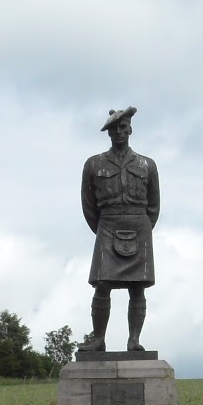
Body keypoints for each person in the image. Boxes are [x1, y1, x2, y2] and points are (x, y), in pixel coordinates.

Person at [77, 106, 159, 353]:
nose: (119, 133)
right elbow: (88, 205)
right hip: (108, 226)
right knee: (102, 284)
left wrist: (140, 225)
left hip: (139, 226)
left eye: (123, 128)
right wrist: (104, 227)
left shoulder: (148, 165)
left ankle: (134, 340)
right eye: (114, 129)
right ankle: (99, 339)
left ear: (130, 129)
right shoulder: (94, 164)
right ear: (109, 133)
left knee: (138, 286)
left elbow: (153, 206)